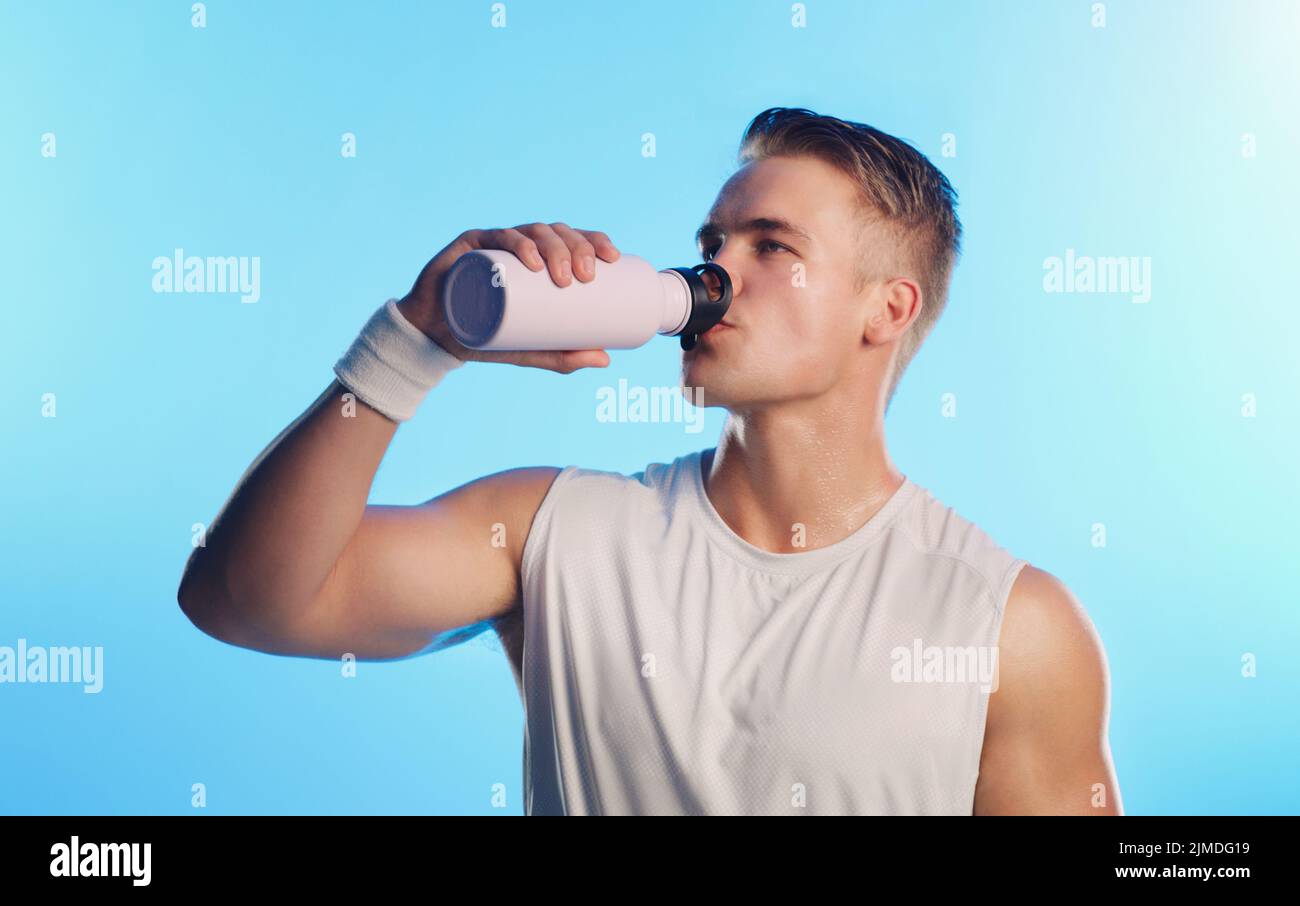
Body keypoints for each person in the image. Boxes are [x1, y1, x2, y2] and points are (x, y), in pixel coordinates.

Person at [178, 107, 1122, 816]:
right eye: (712, 243)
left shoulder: (1009, 626)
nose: (712, 274)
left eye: (770, 247)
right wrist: (416, 340)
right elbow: (244, 598)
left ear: (887, 309)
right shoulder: (550, 531)